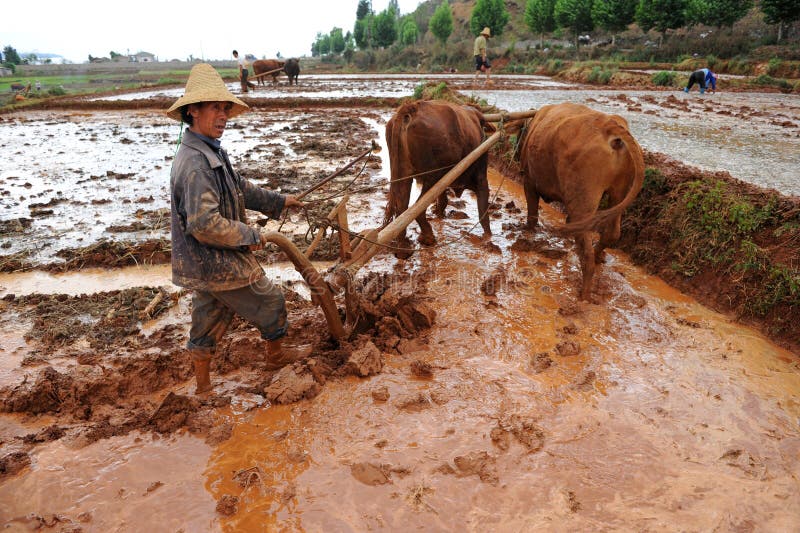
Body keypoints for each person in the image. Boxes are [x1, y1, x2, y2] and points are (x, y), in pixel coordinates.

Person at [166, 63, 311, 394]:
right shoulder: (195, 165)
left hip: (203, 261)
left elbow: (239, 189)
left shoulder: (207, 151)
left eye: (225, 108)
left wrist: (279, 200)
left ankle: (203, 389)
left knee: (208, 318)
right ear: (192, 110)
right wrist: (253, 235)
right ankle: (276, 357)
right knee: (271, 301)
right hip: (216, 259)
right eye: (215, 108)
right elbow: (204, 223)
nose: (223, 115)